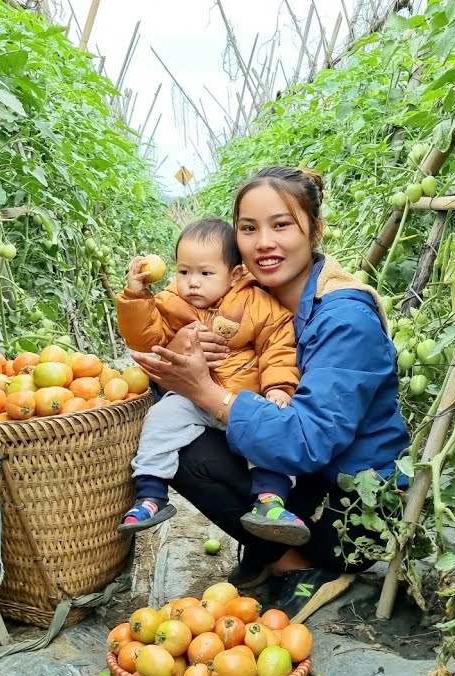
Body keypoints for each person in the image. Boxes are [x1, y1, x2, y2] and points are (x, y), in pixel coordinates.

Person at [130, 167, 409, 623]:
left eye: (281, 225)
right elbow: (171, 370)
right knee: (170, 435)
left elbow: (307, 440)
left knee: (205, 425)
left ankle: (306, 565)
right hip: (307, 485)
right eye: (248, 228)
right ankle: (273, 552)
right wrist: (187, 353)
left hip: (352, 514)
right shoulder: (249, 299)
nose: (264, 242)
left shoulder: (344, 319)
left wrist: (206, 389)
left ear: (315, 230)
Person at [116, 217, 312, 545]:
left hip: (241, 399)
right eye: (183, 272)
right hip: (193, 399)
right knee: (160, 417)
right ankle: (151, 494)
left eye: (205, 274)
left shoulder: (255, 304)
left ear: (234, 274)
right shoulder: (168, 304)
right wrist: (136, 297)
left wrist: (278, 386)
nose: (192, 283)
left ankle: (270, 500)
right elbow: (144, 337)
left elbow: (277, 346)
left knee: (269, 429)